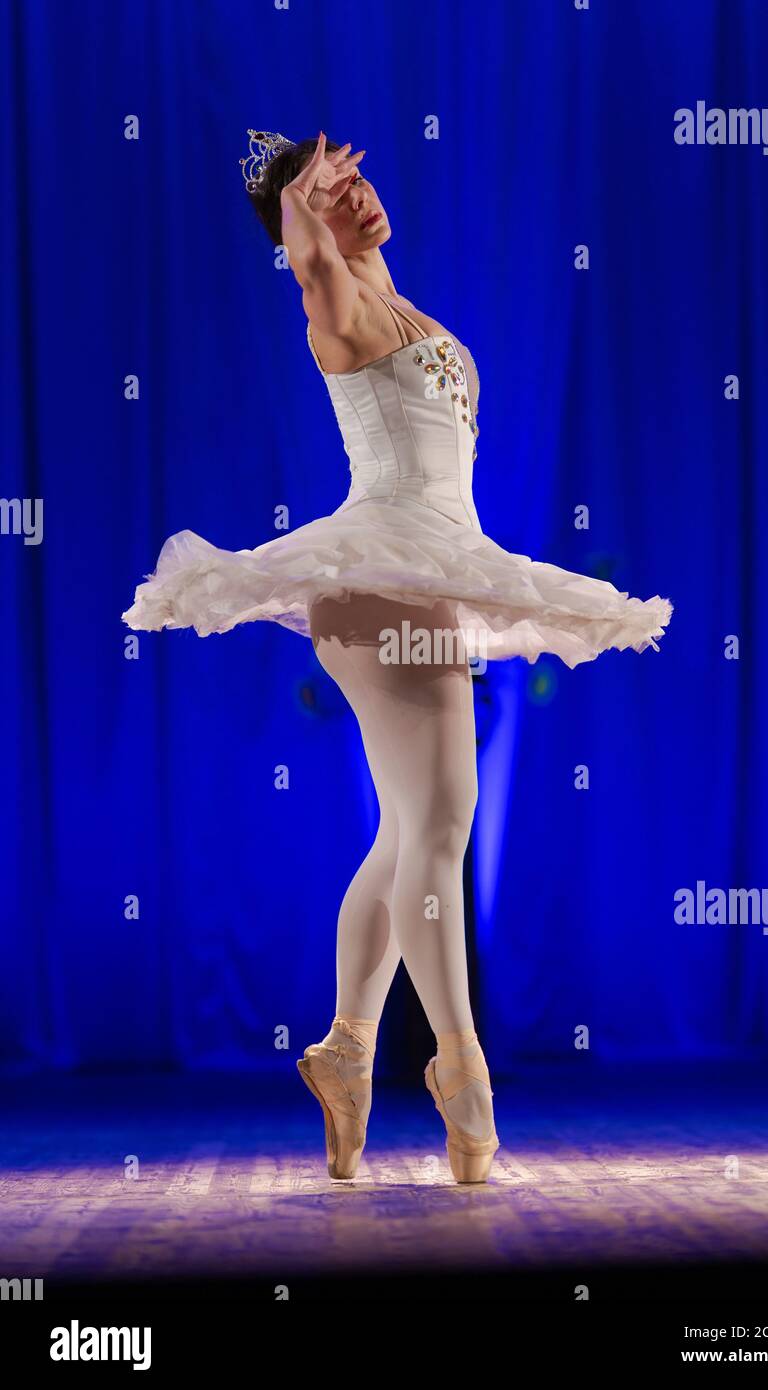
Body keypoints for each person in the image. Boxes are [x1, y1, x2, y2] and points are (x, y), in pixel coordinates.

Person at [122, 129, 673, 1184]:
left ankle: (345, 1048)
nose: (356, 202)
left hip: (427, 567)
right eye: (331, 199)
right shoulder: (332, 303)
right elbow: (315, 268)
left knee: (413, 830)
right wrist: (299, 212)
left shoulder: (396, 299)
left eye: (356, 181)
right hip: (378, 577)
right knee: (442, 825)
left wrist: (311, 198)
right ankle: (463, 1079)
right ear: (299, 228)